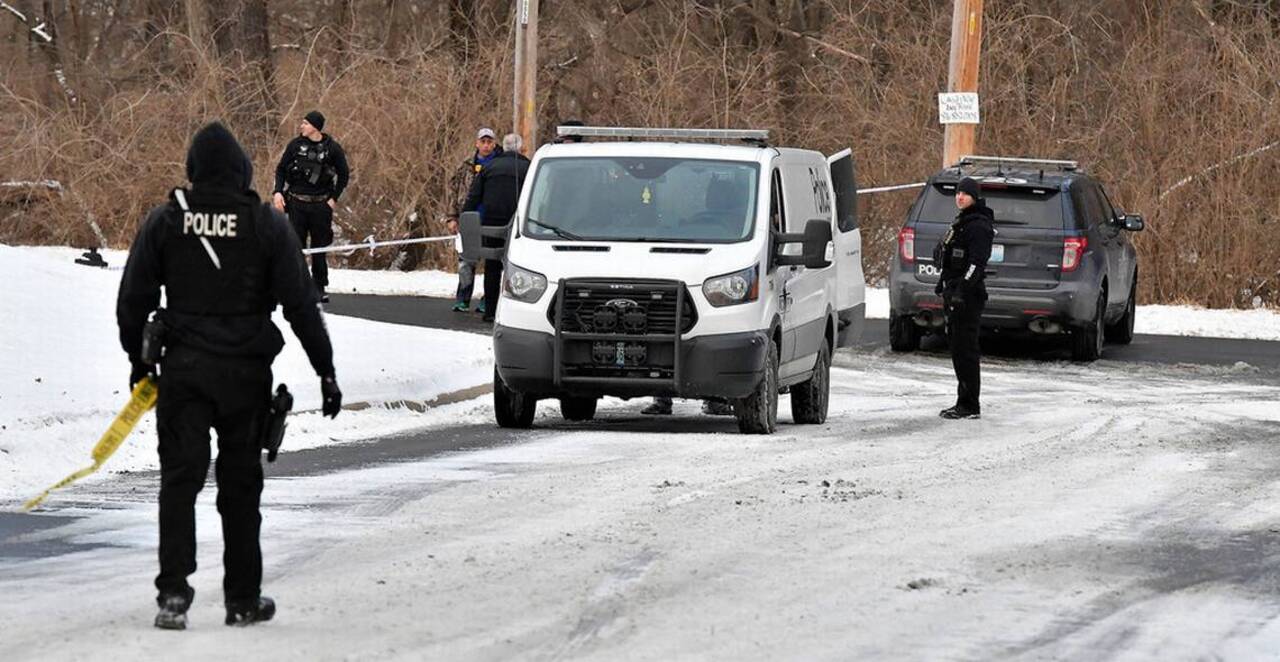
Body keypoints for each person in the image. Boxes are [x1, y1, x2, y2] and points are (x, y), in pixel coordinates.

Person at [117, 122, 344, 630]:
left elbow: (133, 298)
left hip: (184, 372)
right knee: (240, 487)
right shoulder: (264, 224)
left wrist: (139, 361)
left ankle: (173, 594)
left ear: (193, 170)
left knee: (179, 482)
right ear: (242, 171)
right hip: (245, 375)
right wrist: (325, 371)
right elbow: (300, 304)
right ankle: (242, 599)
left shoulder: (167, 220)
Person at [272, 110, 350, 303]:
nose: (302, 126)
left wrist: (333, 199)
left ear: (315, 127)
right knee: (295, 247)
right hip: (297, 203)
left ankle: (319, 287)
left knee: (319, 248)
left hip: (320, 205)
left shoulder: (332, 149)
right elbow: (281, 169)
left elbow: (344, 174)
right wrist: (278, 192)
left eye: (305, 123)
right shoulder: (295, 145)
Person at [933, 176, 994, 420]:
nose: (960, 197)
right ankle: (963, 401)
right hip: (954, 293)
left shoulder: (978, 225)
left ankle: (969, 405)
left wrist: (961, 290)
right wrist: (943, 283)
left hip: (968, 297)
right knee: (957, 349)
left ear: (974, 197)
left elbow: (976, 263)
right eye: (958, 193)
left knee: (966, 350)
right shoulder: (961, 221)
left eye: (965, 194)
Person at [463, 132, 530, 322]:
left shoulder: (489, 166)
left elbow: (474, 196)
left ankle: (490, 311)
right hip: (519, 224)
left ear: (503, 146)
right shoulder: (529, 167)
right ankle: (517, 313)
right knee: (519, 268)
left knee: (492, 267)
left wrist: (465, 219)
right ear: (520, 148)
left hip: (491, 223)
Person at [446, 128, 502, 313]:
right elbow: (453, 192)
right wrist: (452, 217)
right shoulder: (466, 166)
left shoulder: (499, 164)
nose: (486, 145)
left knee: (492, 264)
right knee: (466, 262)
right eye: (483, 142)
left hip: (492, 220)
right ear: (477, 143)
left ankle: (488, 300)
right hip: (469, 220)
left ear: (494, 144)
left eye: (489, 142)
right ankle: (462, 299)